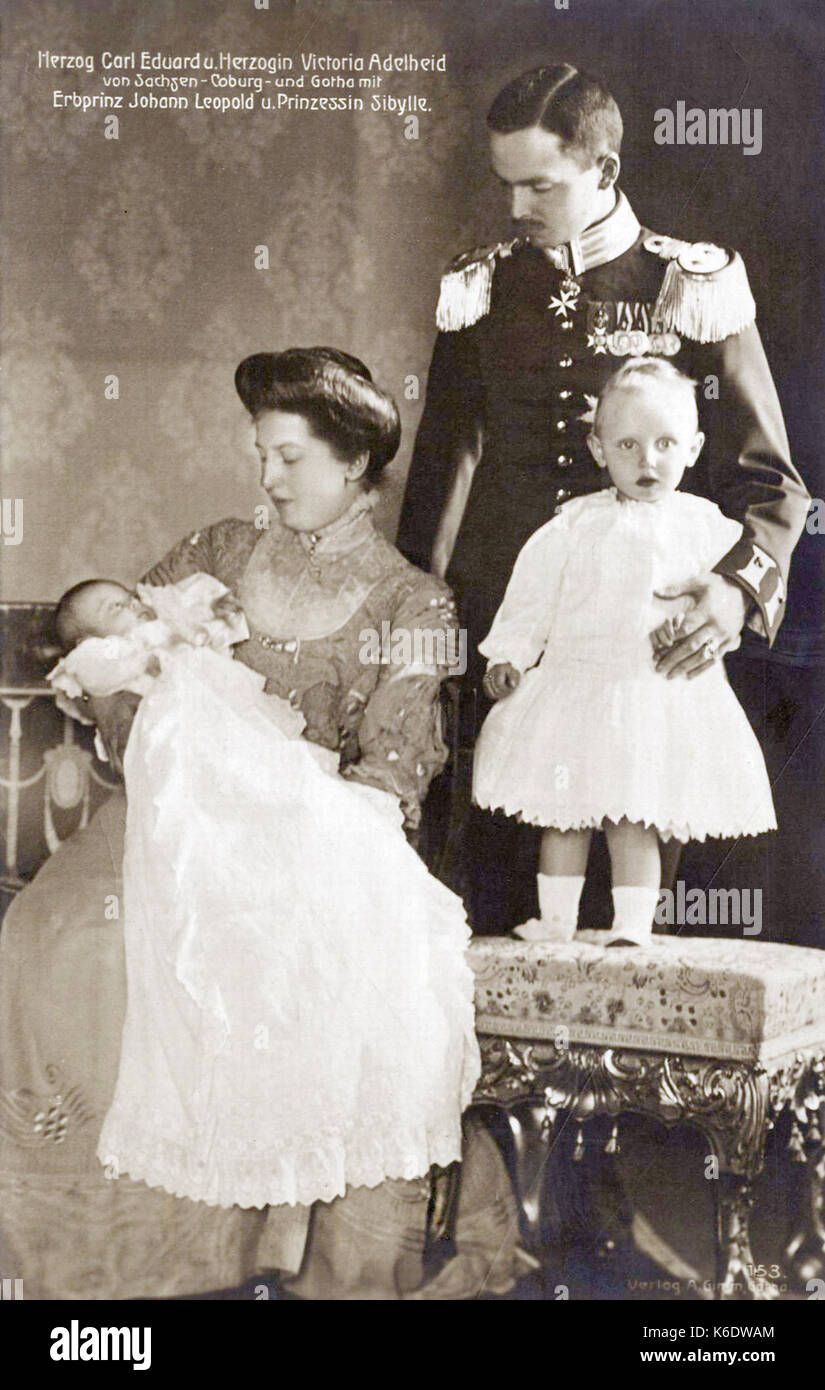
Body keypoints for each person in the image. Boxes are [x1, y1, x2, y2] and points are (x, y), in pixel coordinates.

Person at [0, 348, 526, 1300]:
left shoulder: (416, 601)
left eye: (288, 458)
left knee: (306, 974)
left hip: (313, 832)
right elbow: (123, 665)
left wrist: (294, 824)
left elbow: (396, 763)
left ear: (355, 464)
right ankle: (91, 1270)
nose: (266, 478)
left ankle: (273, 1249)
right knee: (55, 937)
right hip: (168, 822)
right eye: (259, 456)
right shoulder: (215, 554)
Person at [396, 63, 809, 934]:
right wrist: (417, 629)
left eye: (538, 184)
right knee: (500, 907)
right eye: (505, 185)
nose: (515, 208)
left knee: (646, 922)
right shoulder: (479, 286)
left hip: (651, 653)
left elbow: (772, 486)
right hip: (507, 643)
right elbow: (441, 470)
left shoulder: (691, 285)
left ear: (604, 172)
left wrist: (734, 593)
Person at [46, 567, 480, 1210]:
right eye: (114, 607)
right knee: (207, 811)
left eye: (129, 597)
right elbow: (98, 675)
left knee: (300, 802)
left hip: (241, 732)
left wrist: (188, 621)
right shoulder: (109, 653)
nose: (133, 605)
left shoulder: (407, 593)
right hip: (183, 743)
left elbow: (227, 630)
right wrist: (134, 643)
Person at [474, 358, 776, 947]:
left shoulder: (706, 527)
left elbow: (728, 601)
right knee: (563, 813)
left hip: (650, 689)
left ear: (694, 448)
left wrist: (696, 626)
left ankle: (633, 924)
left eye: (666, 443)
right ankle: (556, 921)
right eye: (629, 444)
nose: (648, 461)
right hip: (576, 684)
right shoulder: (572, 525)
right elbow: (533, 596)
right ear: (597, 448)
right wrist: (508, 655)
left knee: (633, 813)